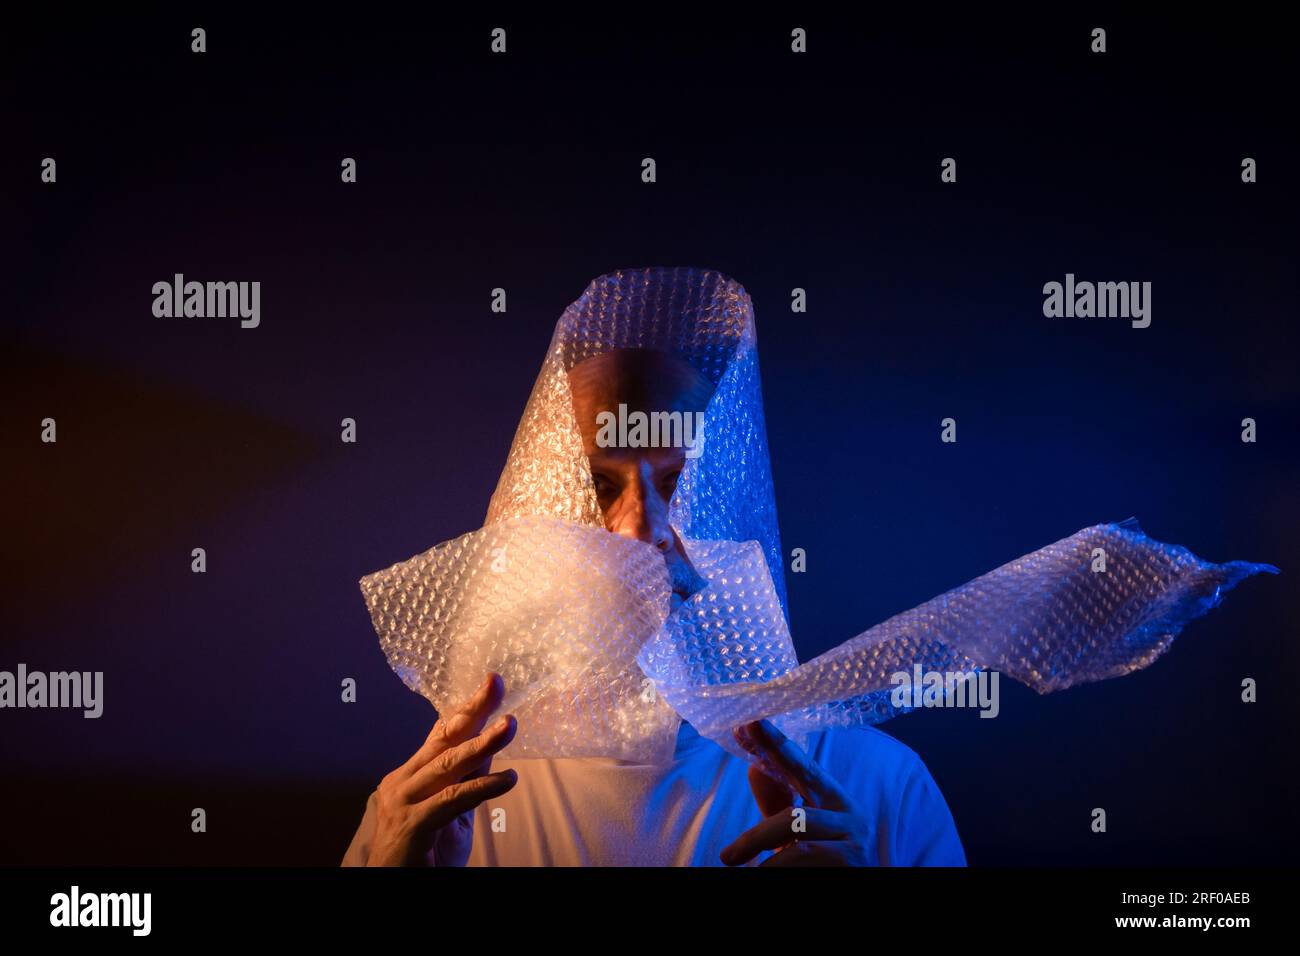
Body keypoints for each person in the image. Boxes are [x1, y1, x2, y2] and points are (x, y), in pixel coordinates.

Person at [342, 316, 967, 867]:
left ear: (729, 503)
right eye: (597, 485)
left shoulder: (873, 787)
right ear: (534, 511)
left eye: (680, 482)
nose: (643, 533)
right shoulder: (436, 809)